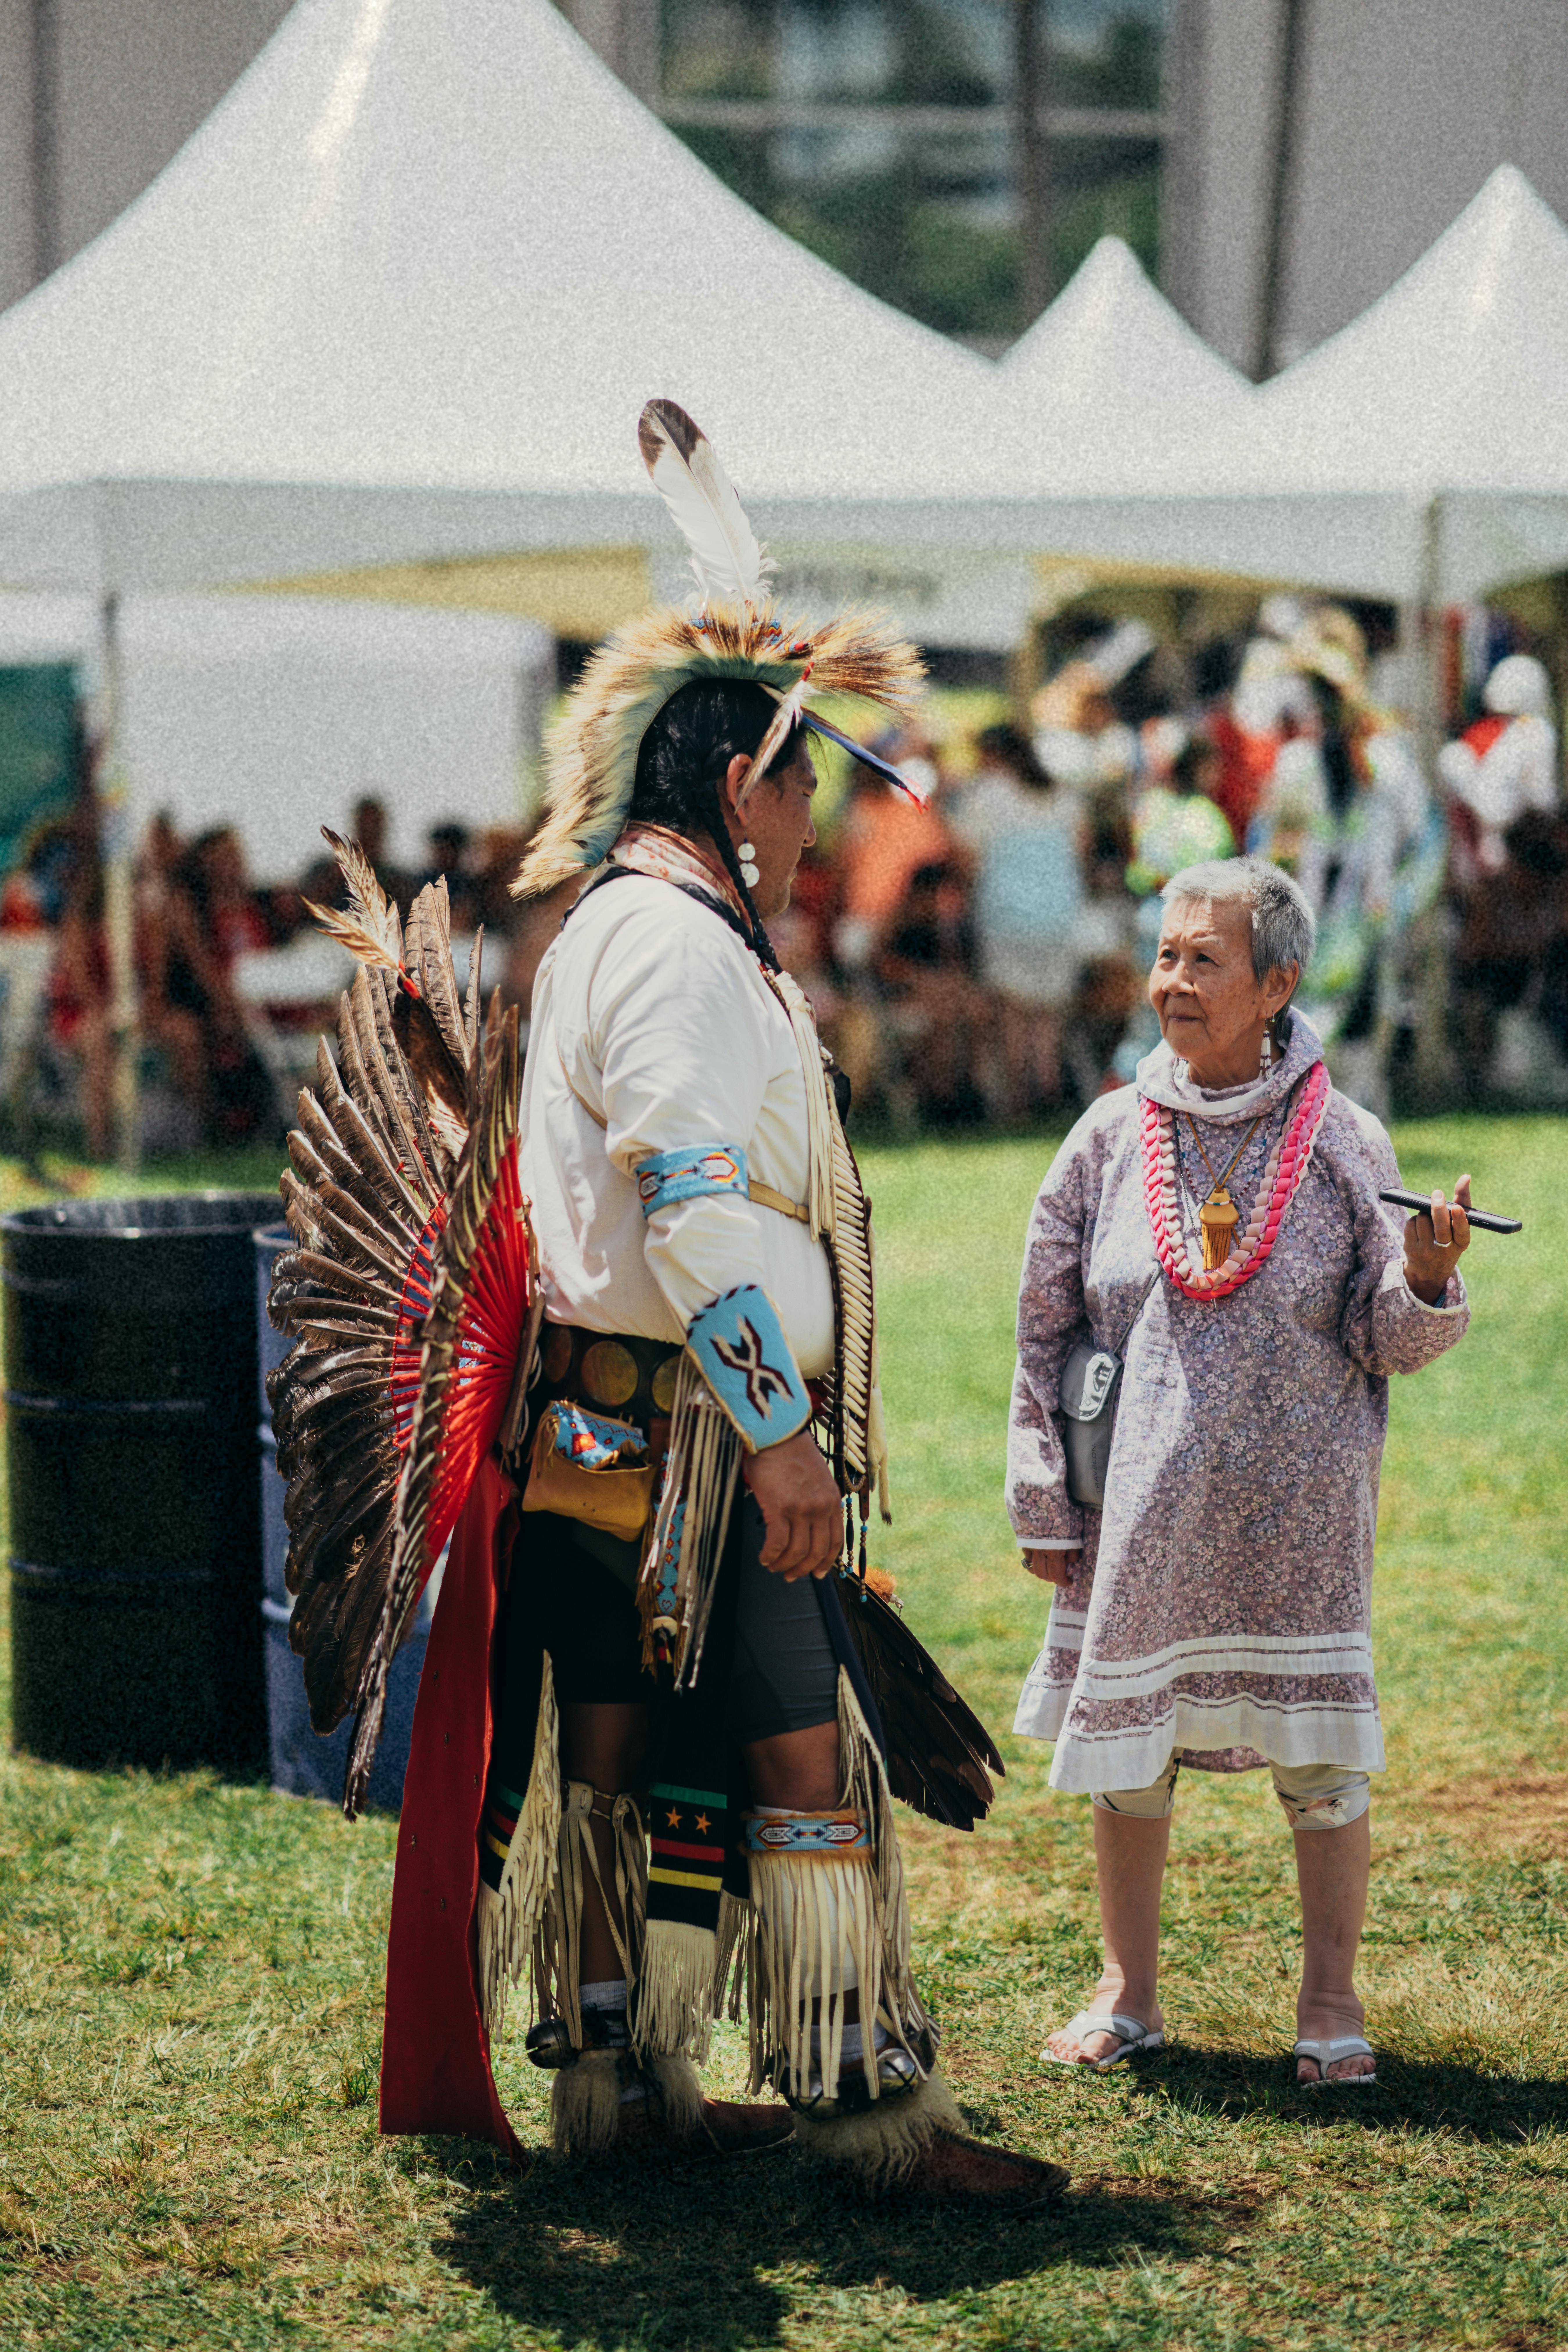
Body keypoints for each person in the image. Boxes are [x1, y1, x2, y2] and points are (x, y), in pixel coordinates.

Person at [354, 402, 1066, 2201]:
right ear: (737, 780)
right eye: (801, 780)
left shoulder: (631, 924)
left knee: (619, 1749)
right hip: (688, 1436)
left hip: (608, 1428)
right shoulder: (673, 945)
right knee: (799, 1743)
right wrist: (779, 1437)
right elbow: (688, 1212)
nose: (818, 817)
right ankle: (872, 2114)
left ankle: (627, 2083)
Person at [1008, 856, 1471, 2084]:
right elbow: (1044, 1324)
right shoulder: (1111, 1136)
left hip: (1299, 1520)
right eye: (1165, 956)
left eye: (1202, 960)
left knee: (1319, 1761)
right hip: (1143, 1514)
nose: (1171, 981)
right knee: (1132, 1757)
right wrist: (1041, 1488)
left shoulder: (1341, 1140)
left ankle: (1329, 2004)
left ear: (1276, 984)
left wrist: (1424, 1276)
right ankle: (1128, 1993)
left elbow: (1390, 1334)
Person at [949, 724, 1085, 1116]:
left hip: (1007, 915)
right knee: (1047, 1014)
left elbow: (966, 858)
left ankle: (1018, 1099)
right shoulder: (1063, 796)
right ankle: (1048, 1086)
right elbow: (1082, 850)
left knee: (1013, 1011)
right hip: (1060, 916)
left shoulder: (986, 796)